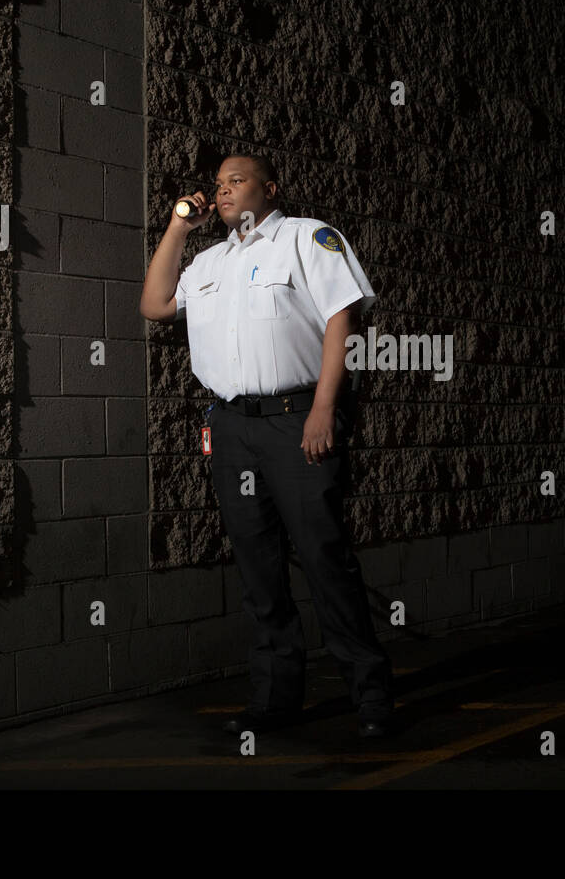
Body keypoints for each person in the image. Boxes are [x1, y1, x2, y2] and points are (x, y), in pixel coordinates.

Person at [139, 154, 396, 738]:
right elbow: (154, 305)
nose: (223, 190)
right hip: (232, 429)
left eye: (238, 181)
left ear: (269, 188)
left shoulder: (308, 238)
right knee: (259, 569)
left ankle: (372, 697)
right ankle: (275, 700)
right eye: (219, 184)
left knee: (325, 557)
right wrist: (180, 225)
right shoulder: (208, 261)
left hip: (296, 418)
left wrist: (325, 408)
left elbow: (341, 319)